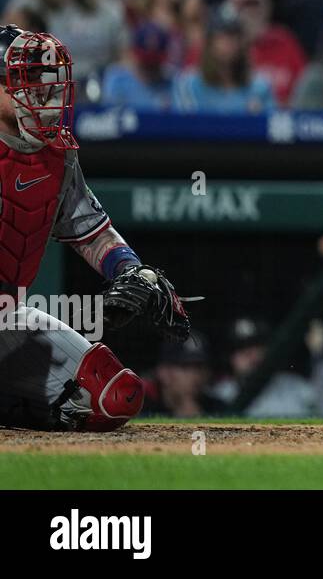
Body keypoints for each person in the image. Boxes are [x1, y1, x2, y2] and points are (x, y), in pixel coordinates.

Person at [0, 24, 193, 430]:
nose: (43, 95)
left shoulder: (56, 155)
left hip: (6, 319)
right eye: (26, 82)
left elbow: (90, 229)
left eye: (47, 83)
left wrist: (132, 270)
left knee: (113, 396)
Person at [172, 5, 276, 113]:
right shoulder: (187, 86)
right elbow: (185, 127)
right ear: (209, 43)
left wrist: (256, 119)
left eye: (233, 36)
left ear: (242, 44)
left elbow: (274, 125)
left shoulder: (260, 88)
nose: (228, 43)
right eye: (221, 36)